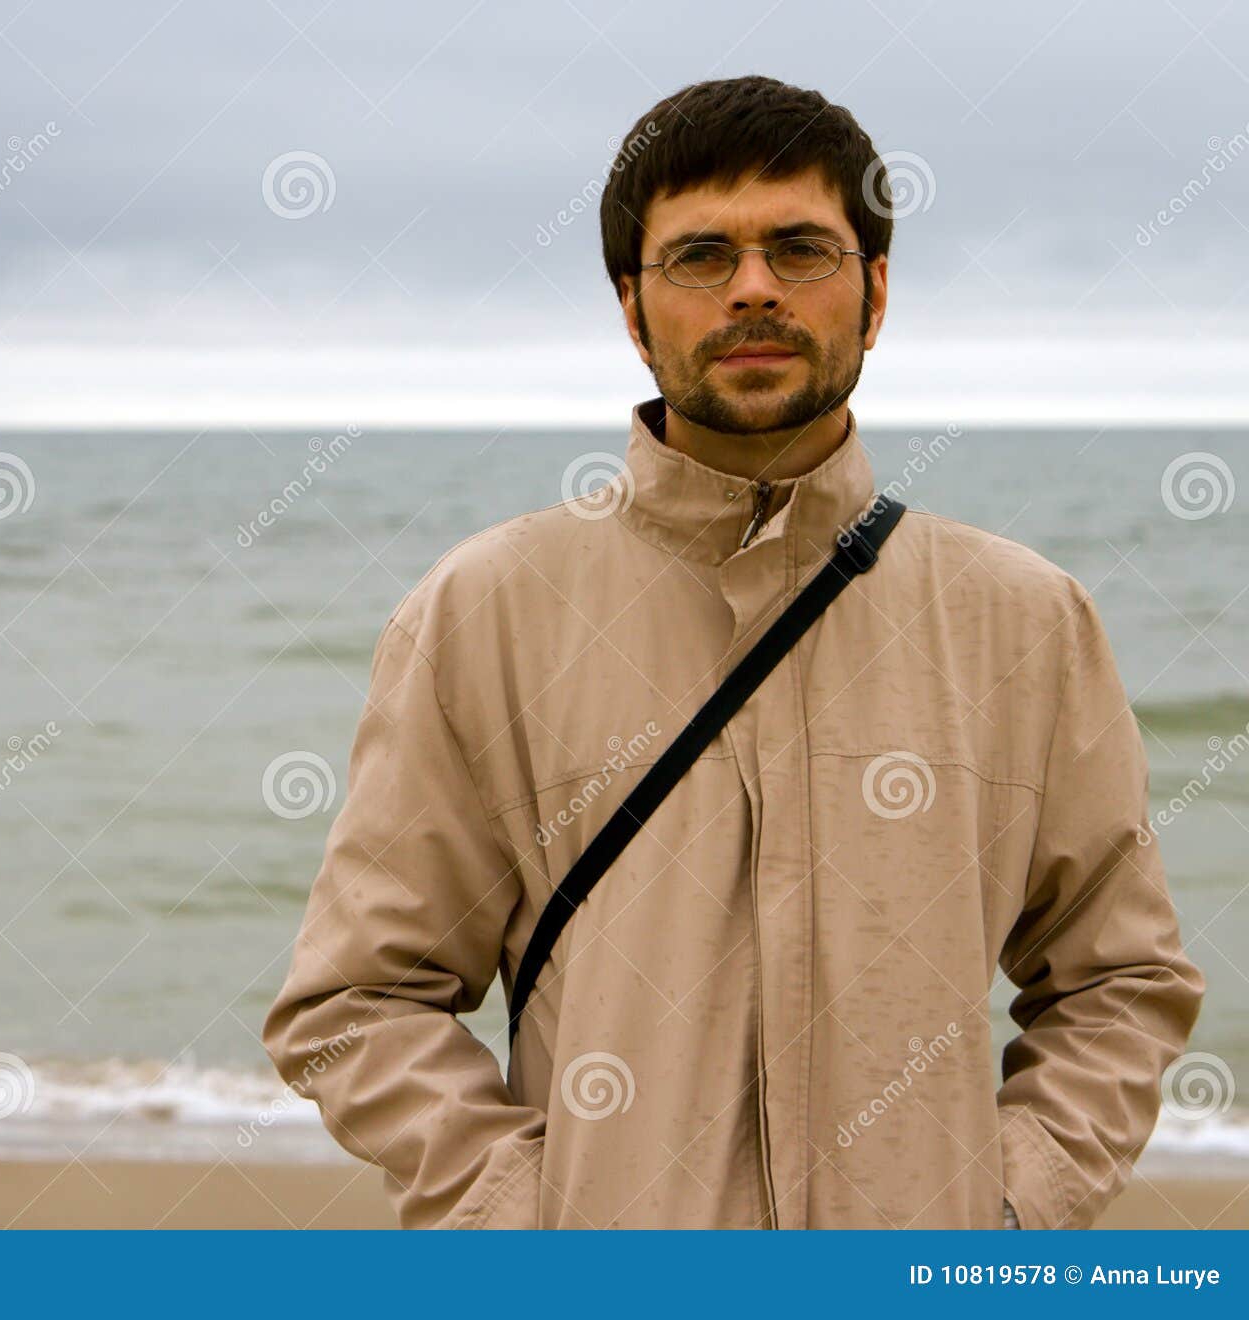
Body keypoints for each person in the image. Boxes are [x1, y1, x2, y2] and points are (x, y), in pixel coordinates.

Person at [261, 75, 1205, 1229]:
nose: (753, 288)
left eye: (800, 248)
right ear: (630, 305)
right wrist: (530, 1220)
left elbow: (1118, 981)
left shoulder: (1022, 619)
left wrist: (1009, 1210)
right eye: (701, 256)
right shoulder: (484, 612)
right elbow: (358, 999)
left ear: (874, 292)